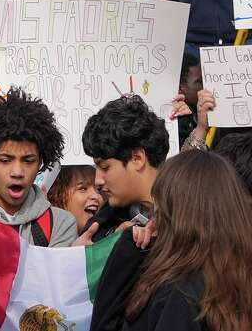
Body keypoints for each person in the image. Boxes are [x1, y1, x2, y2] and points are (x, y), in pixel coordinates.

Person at [123, 151, 252, 331]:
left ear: (177, 214)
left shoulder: (178, 294)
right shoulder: (238, 276)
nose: (153, 214)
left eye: (159, 203)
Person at [85, 95, 169, 331]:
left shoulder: (191, 222)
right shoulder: (103, 224)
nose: (98, 181)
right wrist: (83, 261)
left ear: (137, 158)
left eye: (104, 167)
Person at [0, 87, 77, 246]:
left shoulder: (60, 224)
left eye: (28, 161)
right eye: (5, 160)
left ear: (41, 162)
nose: (17, 172)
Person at [46, 165, 103, 232]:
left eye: (98, 189)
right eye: (83, 189)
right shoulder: (36, 239)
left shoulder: (112, 238)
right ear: (55, 195)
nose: (95, 196)